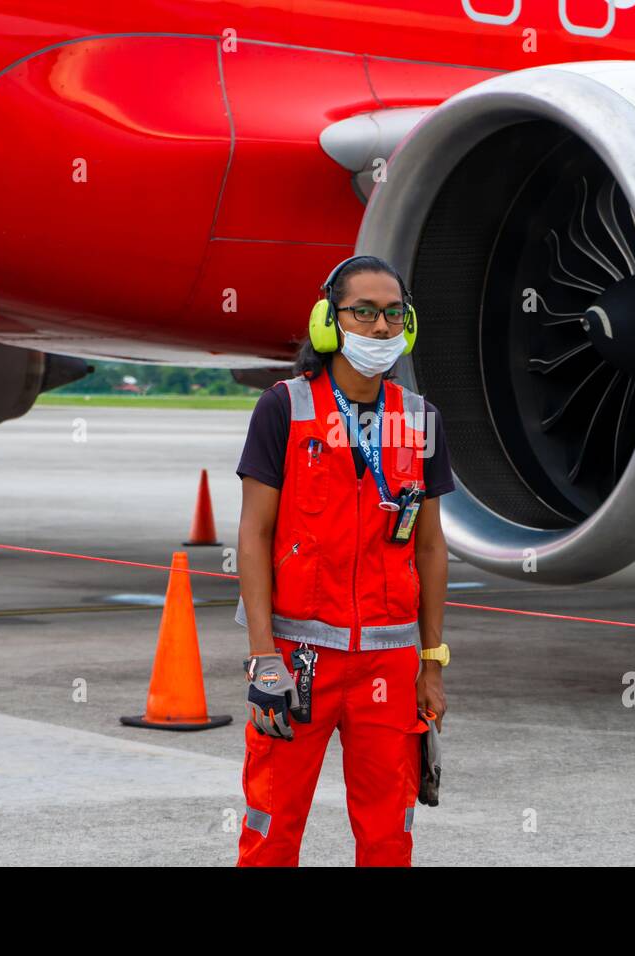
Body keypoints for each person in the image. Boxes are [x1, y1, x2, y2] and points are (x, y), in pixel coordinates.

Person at [233, 254, 453, 867]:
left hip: (390, 659)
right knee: (271, 828)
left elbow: (430, 547)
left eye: (393, 314)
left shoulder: (420, 420)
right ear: (329, 322)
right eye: (364, 312)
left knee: (388, 835)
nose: (381, 328)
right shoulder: (284, 408)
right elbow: (254, 534)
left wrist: (431, 663)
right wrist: (261, 658)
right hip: (299, 663)